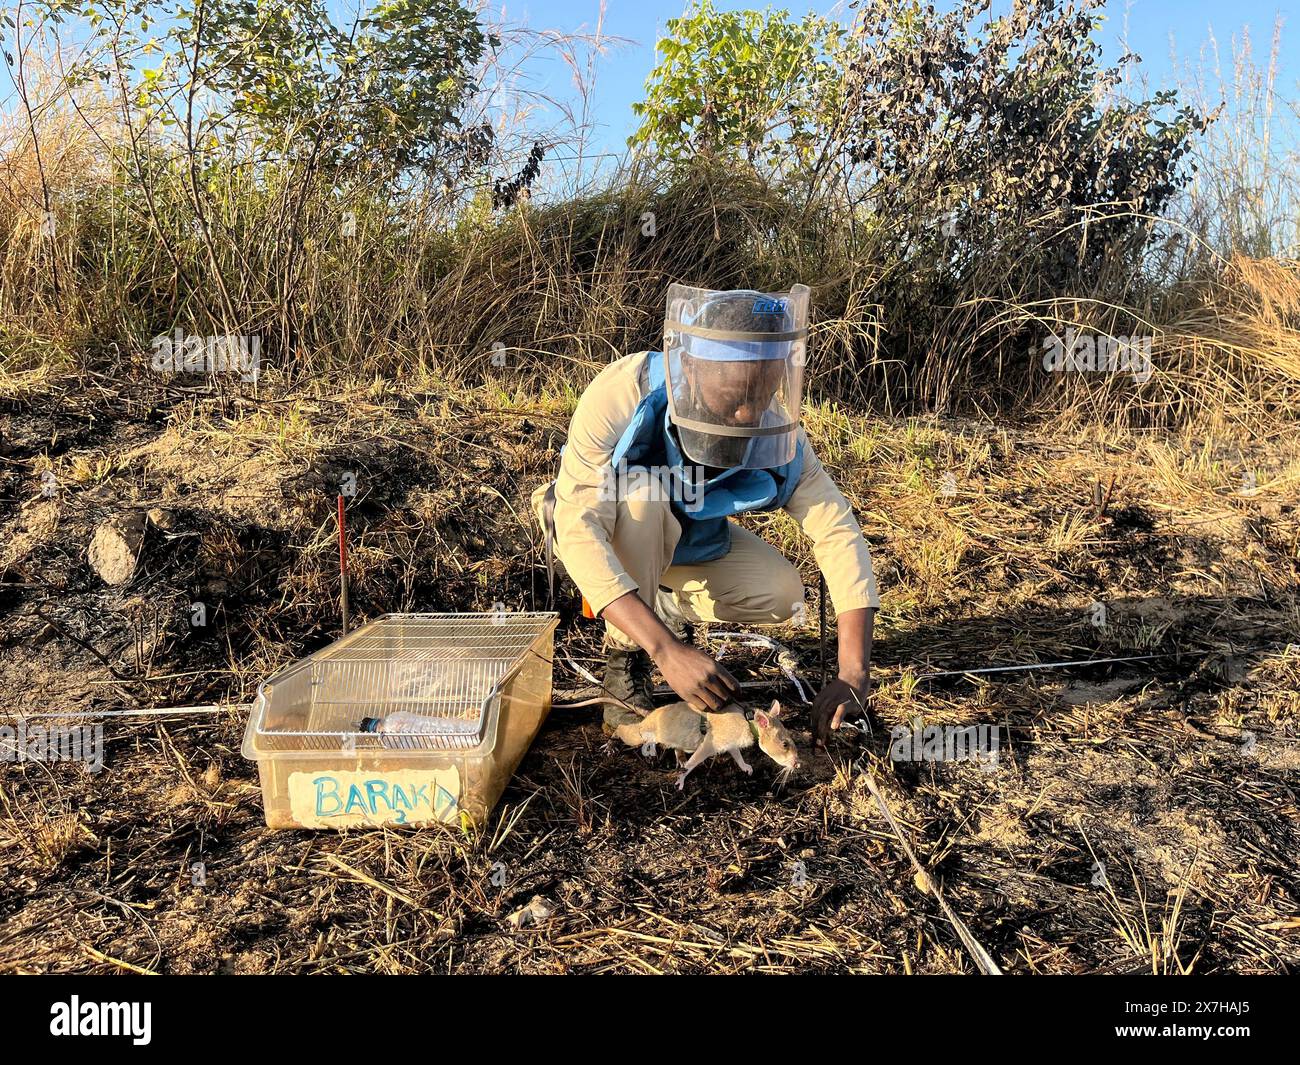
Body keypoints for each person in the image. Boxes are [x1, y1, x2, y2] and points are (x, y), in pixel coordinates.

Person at [532, 283, 879, 747]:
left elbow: (836, 529)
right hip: (611, 524)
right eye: (734, 395)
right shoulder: (623, 393)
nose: (746, 413)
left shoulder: (775, 428)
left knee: (780, 593)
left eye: (762, 395)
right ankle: (624, 655)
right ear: (690, 367)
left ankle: (657, 608)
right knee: (644, 493)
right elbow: (579, 528)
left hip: (689, 538)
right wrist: (665, 650)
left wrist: (853, 668)